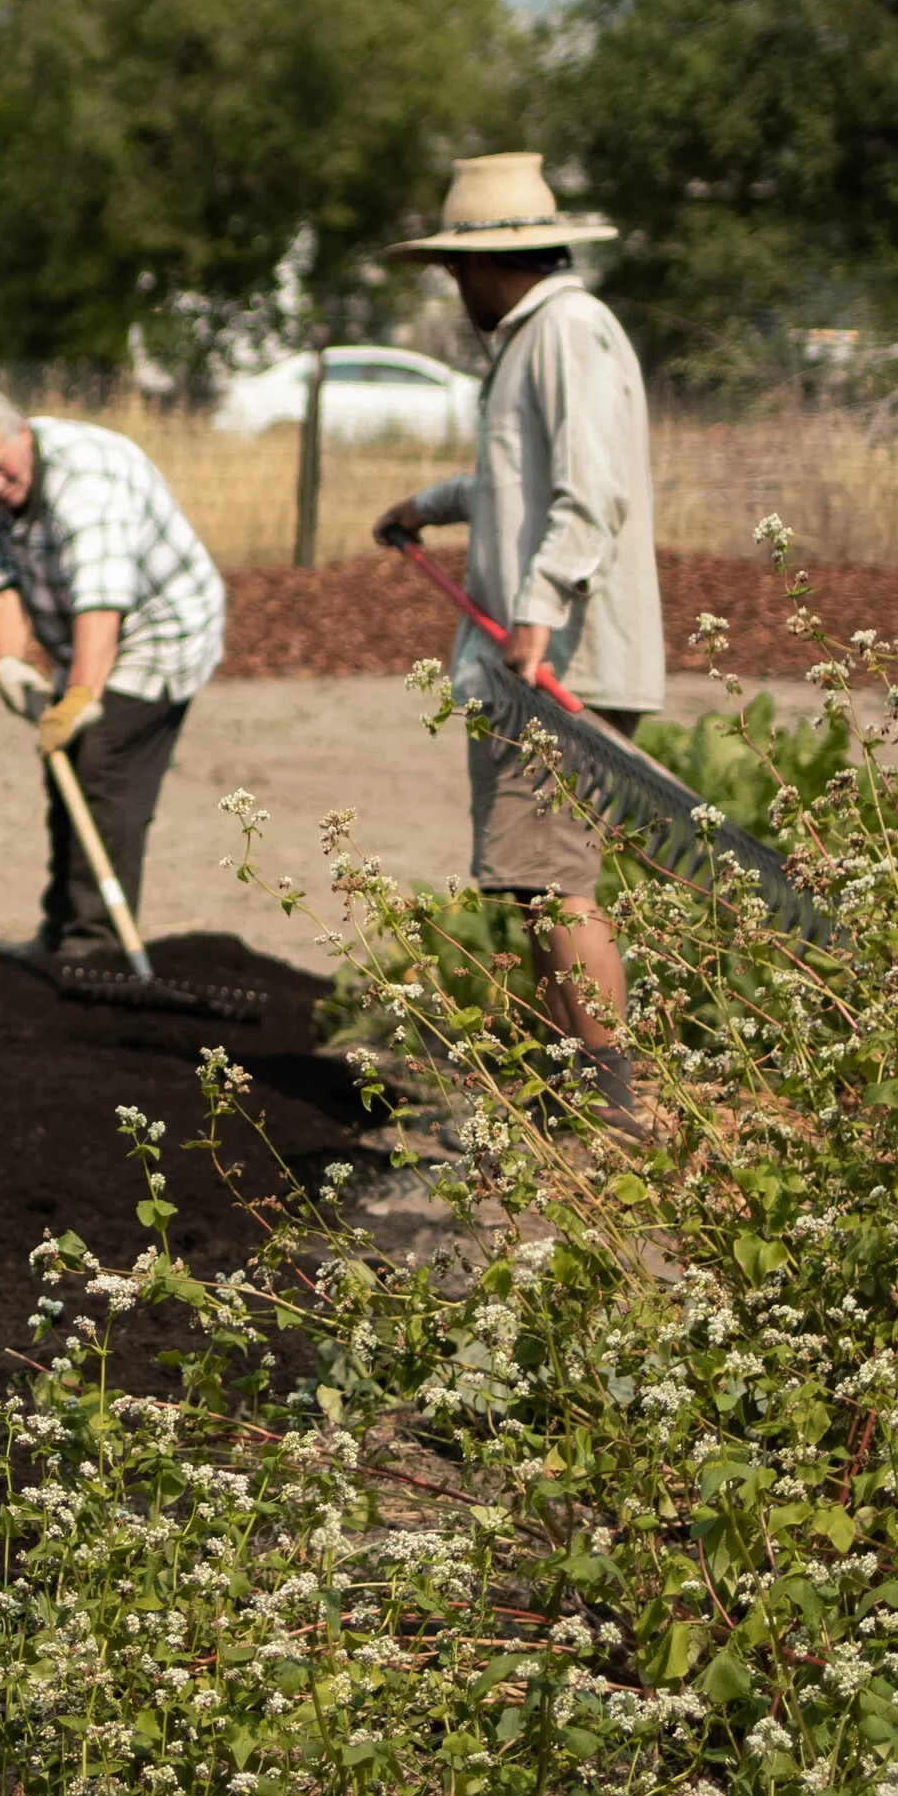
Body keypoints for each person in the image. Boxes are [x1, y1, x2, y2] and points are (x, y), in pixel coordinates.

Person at [370, 151, 664, 1117]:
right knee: (537, 884)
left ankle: (606, 1100)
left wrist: (536, 613)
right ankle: (568, 1090)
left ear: (486, 263)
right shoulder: (535, 340)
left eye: (455, 270)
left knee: (560, 883)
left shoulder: (568, 332)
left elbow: (591, 491)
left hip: (561, 657)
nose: (455, 288)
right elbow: (516, 482)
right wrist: (426, 506)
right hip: (534, 657)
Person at [0, 389, 225, 965]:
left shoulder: (88, 481)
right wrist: (9, 660)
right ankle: (61, 928)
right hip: (82, 635)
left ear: (22, 434)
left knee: (102, 763)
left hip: (161, 627)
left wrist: (81, 696)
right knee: (62, 762)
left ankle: (95, 946)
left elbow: (102, 602)